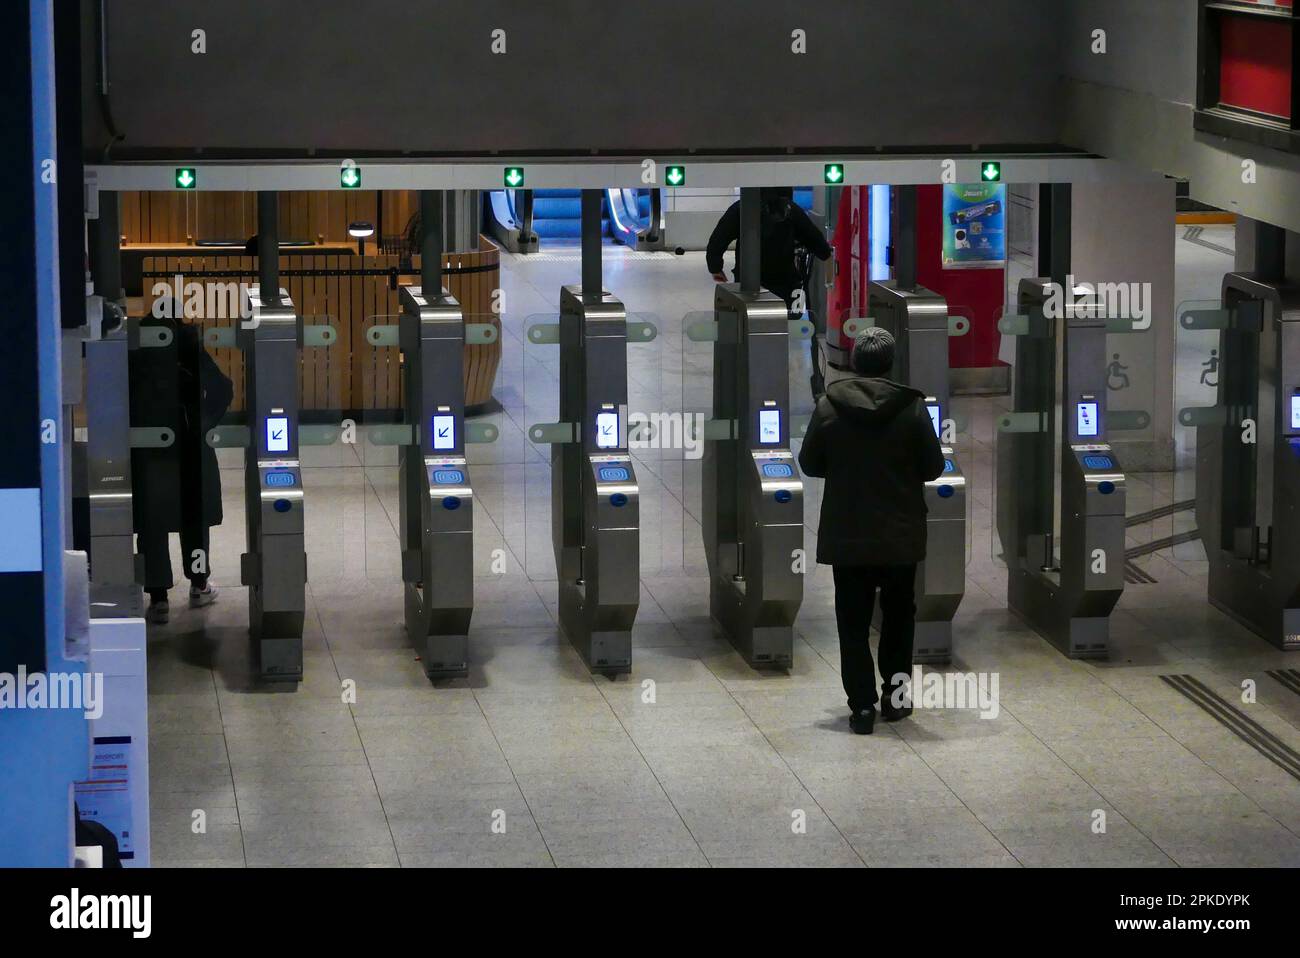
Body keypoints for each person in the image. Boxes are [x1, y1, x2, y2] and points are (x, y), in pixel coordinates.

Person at [797, 328, 945, 735]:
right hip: (899, 536)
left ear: (856, 362)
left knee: (853, 623)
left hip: (849, 536)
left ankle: (861, 708)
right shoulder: (912, 408)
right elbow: (933, 468)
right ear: (890, 363)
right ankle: (895, 701)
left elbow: (809, 463)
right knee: (899, 619)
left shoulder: (830, 406)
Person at [132, 300, 234, 624]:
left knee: (153, 521)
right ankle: (199, 584)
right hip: (189, 441)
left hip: (149, 444)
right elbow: (222, 387)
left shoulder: (135, 346)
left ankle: (158, 598)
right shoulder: (187, 342)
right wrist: (204, 423)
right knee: (194, 515)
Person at [705, 187, 832, 309]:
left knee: (748, 317)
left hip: (748, 279)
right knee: (785, 319)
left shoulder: (741, 208)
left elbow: (718, 239)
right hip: (784, 279)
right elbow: (812, 236)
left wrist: (715, 267)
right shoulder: (790, 210)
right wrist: (826, 255)